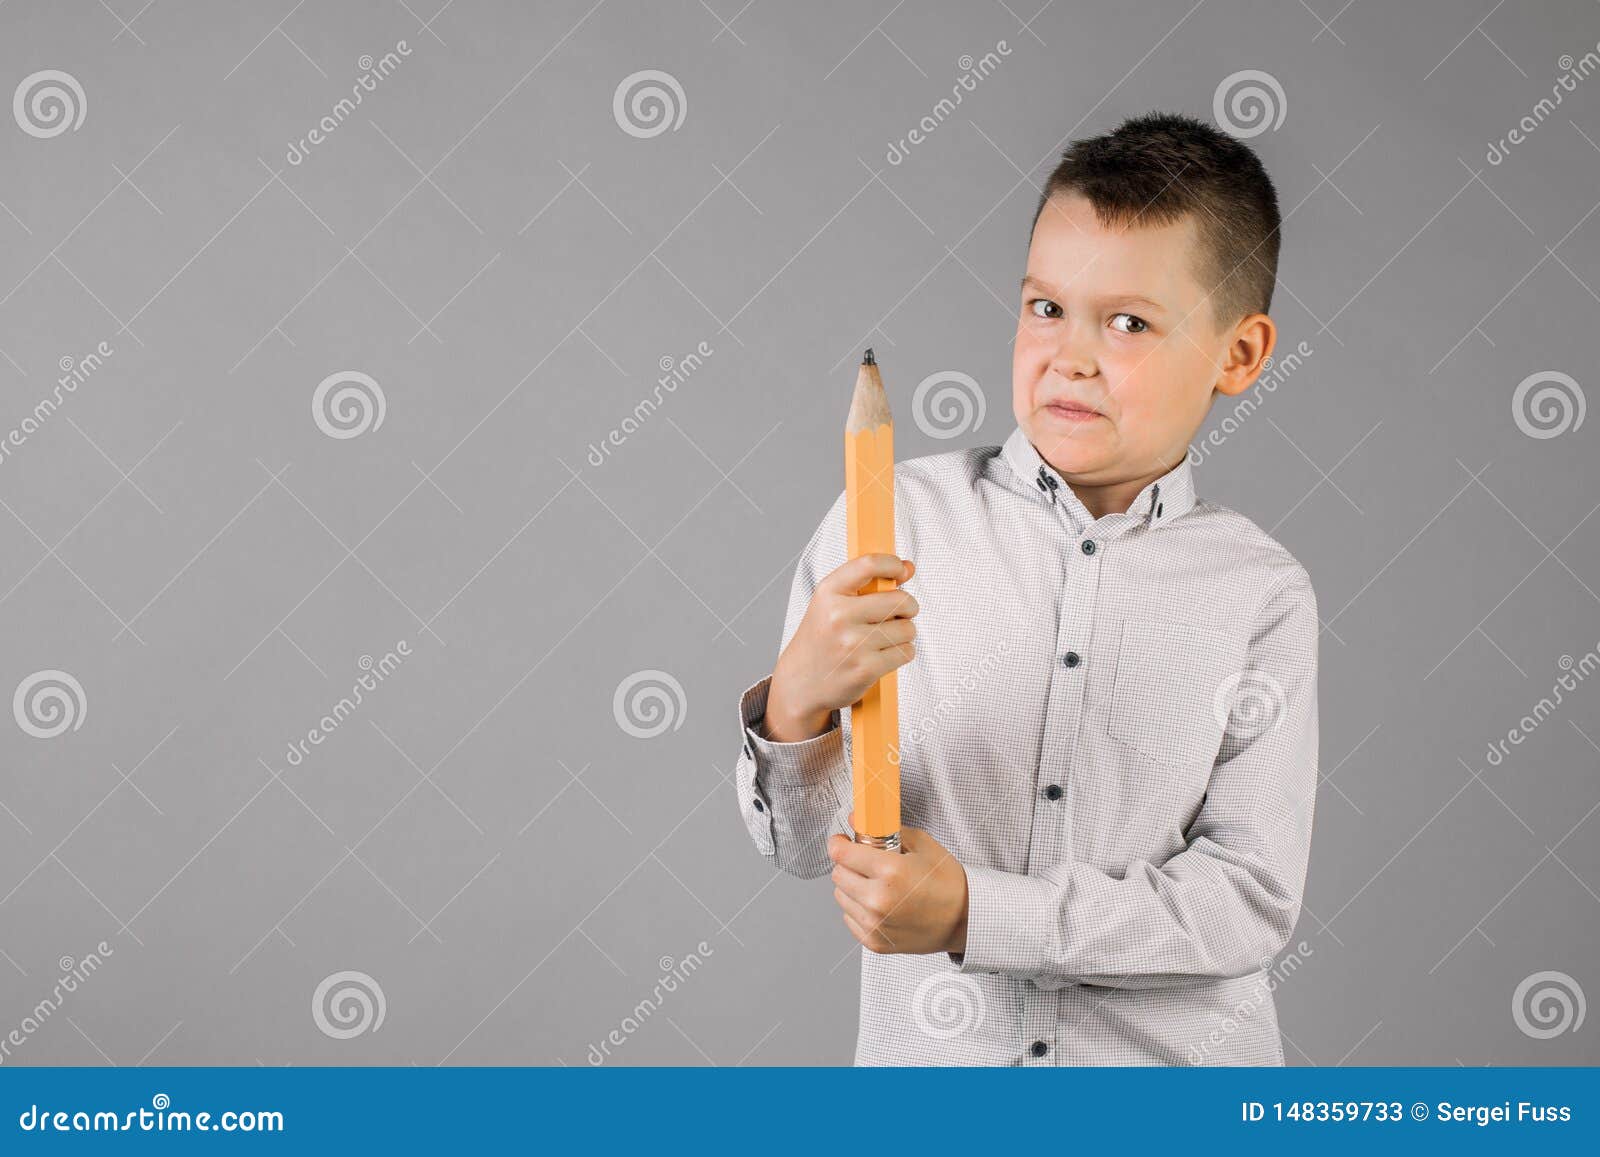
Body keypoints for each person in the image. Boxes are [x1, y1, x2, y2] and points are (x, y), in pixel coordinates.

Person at [733, 112, 1318, 1066]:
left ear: (1240, 354)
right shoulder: (892, 524)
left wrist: (979, 910)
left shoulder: (1260, 594)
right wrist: (794, 706)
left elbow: (1245, 900)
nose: (1070, 356)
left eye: (1129, 323)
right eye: (1047, 308)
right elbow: (804, 852)